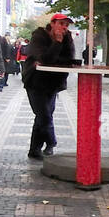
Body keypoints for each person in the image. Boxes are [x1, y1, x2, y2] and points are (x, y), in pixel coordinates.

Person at [22, 14, 77, 160]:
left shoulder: (68, 37)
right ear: (52, 23)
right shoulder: (39, 36)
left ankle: (34, 149)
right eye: (61, 23)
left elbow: (69, 59)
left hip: (53, 82)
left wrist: (53, 57)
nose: (64, 27)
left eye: (66, 25)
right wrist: (57, 44)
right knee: (44, 115)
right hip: (35, 81)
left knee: (43, 116)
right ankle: (52, 142)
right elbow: (43, 57)